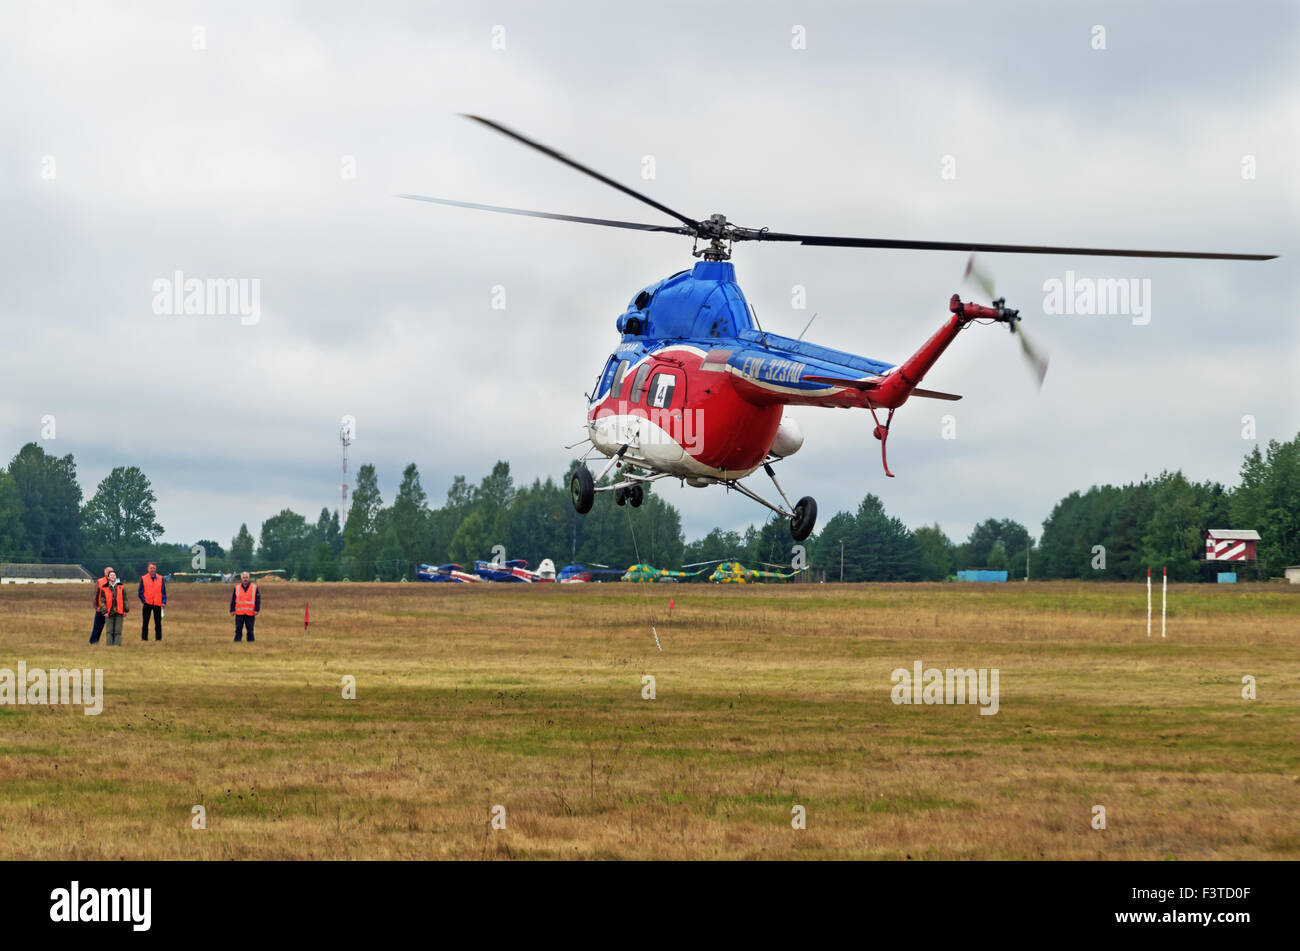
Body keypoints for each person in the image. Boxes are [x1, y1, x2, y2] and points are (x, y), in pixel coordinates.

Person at [98, 569, 129, 646]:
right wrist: (104, 611)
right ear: (108, 577)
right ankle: (109, 646)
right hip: (109, 612)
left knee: (118, 630)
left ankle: (117, 645)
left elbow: (125, 599)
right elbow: (102, 601)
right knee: (109, 630)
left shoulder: (121, 587)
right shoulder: (104, 588)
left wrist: (125, 610)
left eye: (114, 575)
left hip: (119, 612)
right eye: (111, 575)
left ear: (116, 577)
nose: (113, 577)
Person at [138, 562, 166, 641]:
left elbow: (163, 591)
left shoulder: (160, 578)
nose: (152, 569)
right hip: (147, 603)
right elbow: (140, 592)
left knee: (158, 623)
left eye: (154, 568)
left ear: (155, 569)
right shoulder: (144, 578)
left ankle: (158, 638)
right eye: (151, 568)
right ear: (148, 569)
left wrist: (163, 602)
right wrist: (144, 601)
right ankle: (144, 638)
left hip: (157, 603)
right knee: (145, 622)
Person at [230, 571, 260, 642]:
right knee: (238, 628)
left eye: (246, 577)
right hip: (239, 612)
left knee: (250, 629)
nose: (245, 579)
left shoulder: (254, 587)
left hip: (250, 612)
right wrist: (232, 610)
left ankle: (250, 641)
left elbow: (257, 599)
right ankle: (237, 641)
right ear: (241, 578)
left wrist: (257, 609)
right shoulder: (237, 588)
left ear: (249, 578)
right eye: (244, 578)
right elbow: (233, 599)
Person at [89, 565, 112, 644]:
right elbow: (95, 594)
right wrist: (96, 607)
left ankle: (111, 643)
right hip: (101, 608)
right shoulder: (100, 581)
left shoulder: (116, 582)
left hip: (111, 609)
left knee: (110, 628)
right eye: (109, 572)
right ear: (105, 573)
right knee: (97, 626)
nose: (111, 573)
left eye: (112, 572)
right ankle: (93, 641)